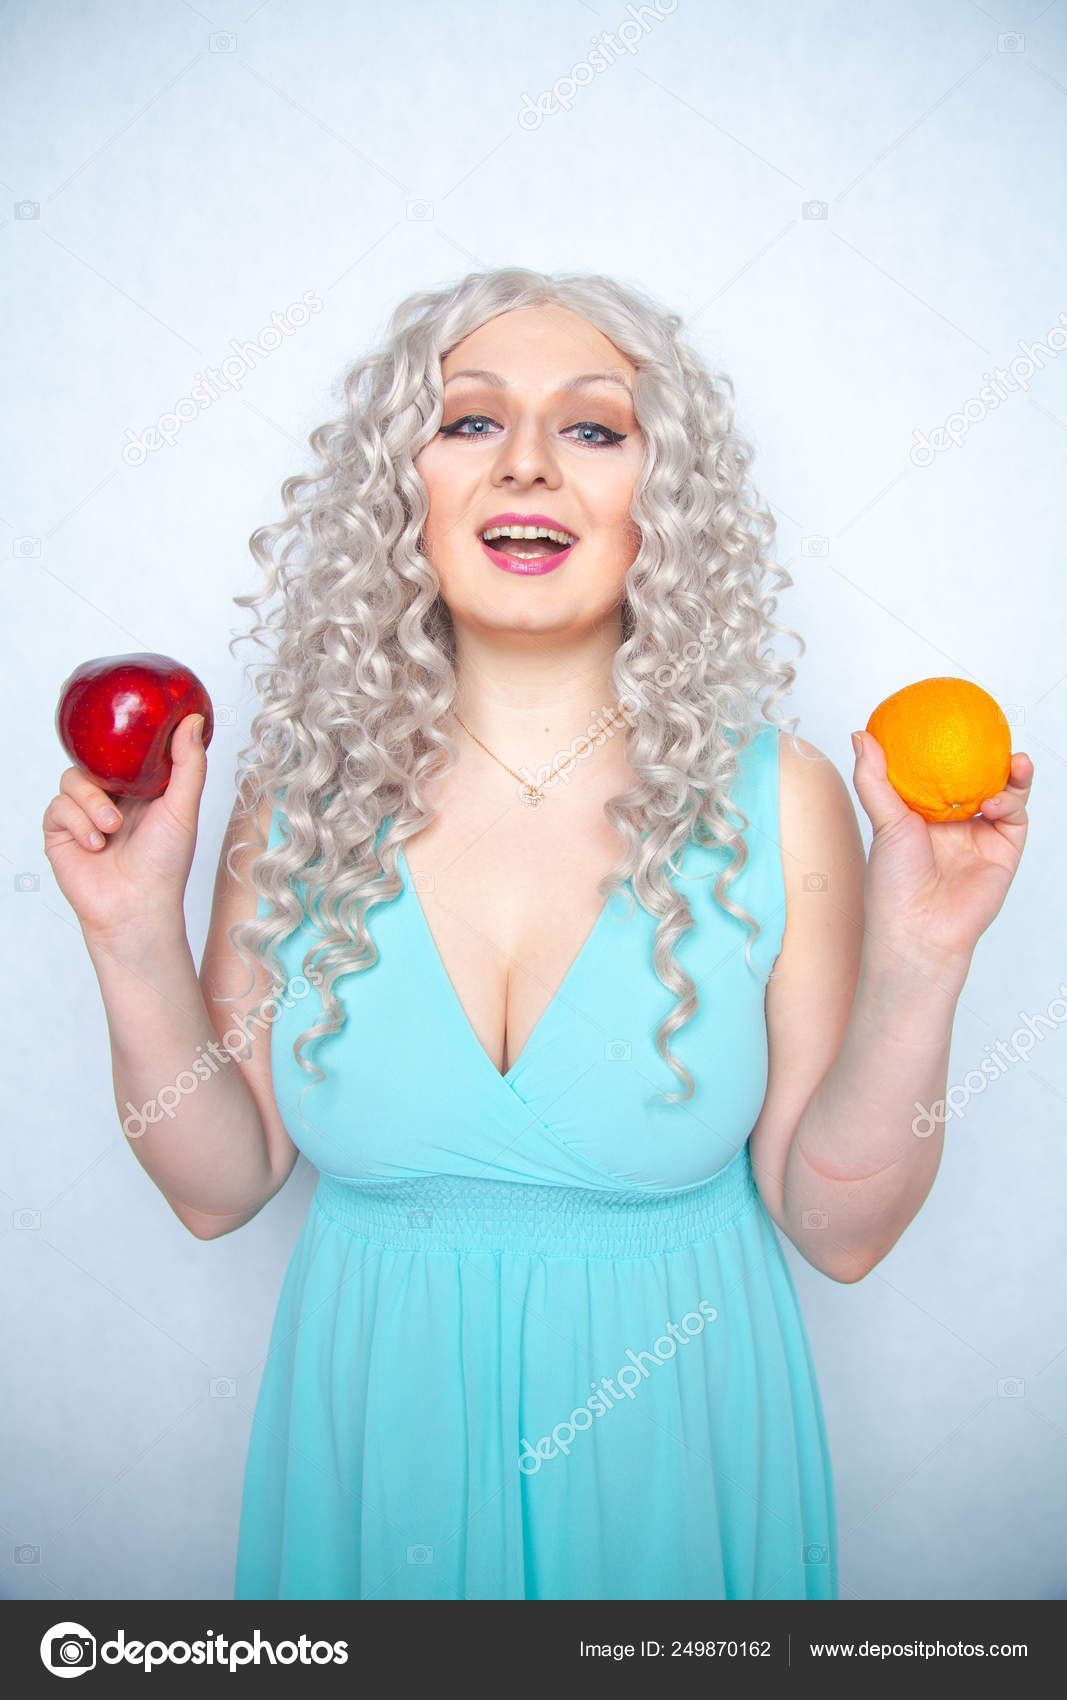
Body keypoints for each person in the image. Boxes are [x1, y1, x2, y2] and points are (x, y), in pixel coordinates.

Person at [43, 267, 1033, 1602]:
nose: (524, 464)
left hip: (674, 1489)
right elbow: (219, 1189)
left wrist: (926, 959)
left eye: (591, 427)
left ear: (658, 503)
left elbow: (839, 1228)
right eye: (468, 422)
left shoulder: (779, 793)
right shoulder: (301, 800)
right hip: (370, 1482)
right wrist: (126, 933)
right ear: (407, 494)